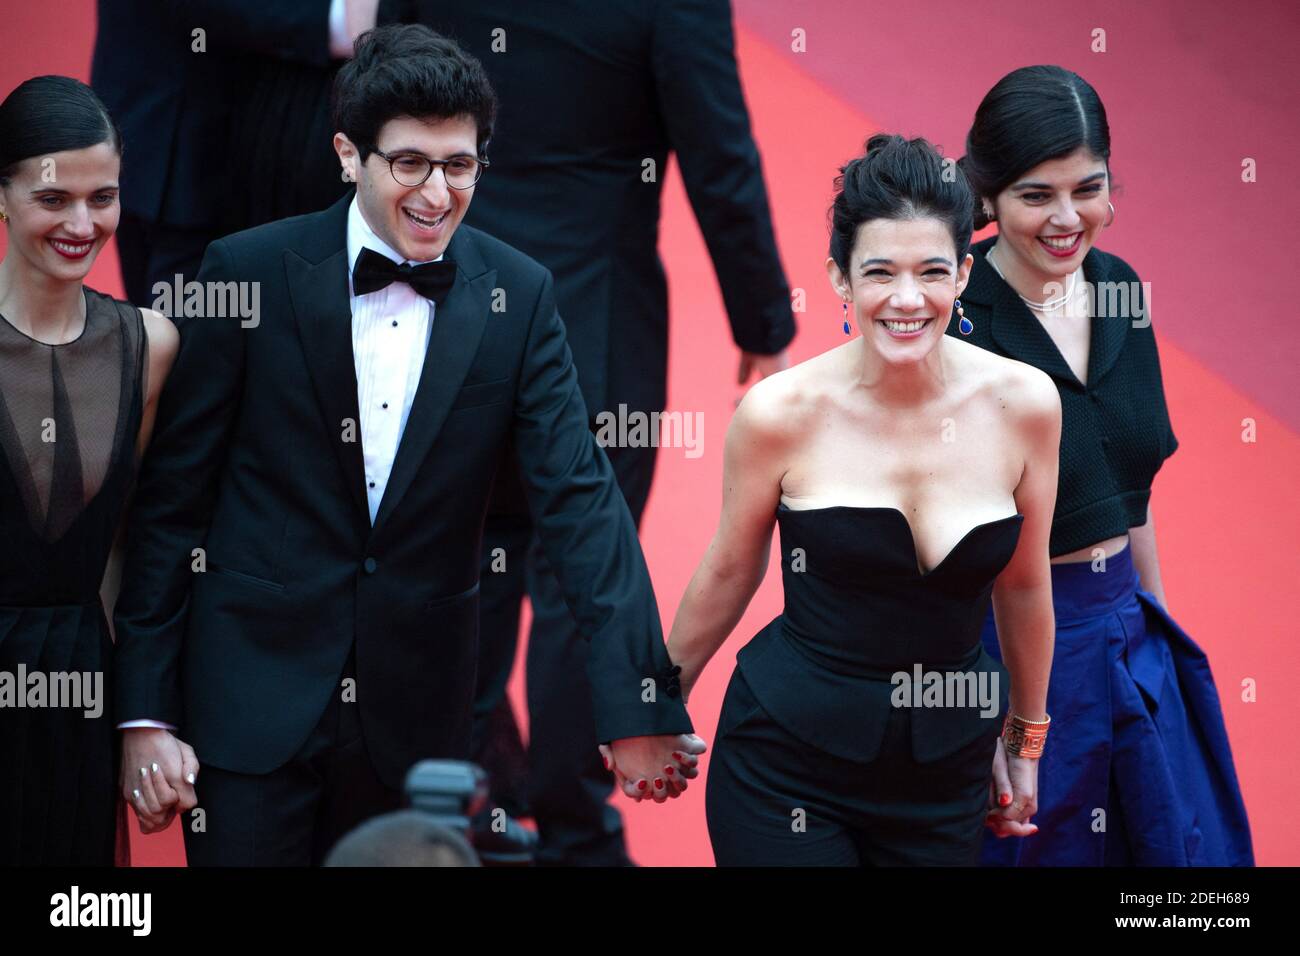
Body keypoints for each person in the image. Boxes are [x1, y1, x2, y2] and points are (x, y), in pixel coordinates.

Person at [111, 24, 703, 866]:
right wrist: (146, 716)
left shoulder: (521, 297)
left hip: (417, 727)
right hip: (248, 712)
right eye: (410, 164)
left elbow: (582, 505)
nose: (437, 193)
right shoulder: (246, 271)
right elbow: (172, 507)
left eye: (459, 165)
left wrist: (639, 704)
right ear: (350, 155)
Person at [393, 0, 796, 864]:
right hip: (596, 316)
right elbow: (719, 154)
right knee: (584, 571)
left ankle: (457, 805)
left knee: (459, 562)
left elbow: (385, 83)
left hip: (443, 299)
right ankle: (575, 823)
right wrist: (762, 322)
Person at [655, 134, 1058, 865]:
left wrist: (1024, 739)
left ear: (964, 273)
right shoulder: (781, 413)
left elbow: (1026, 586)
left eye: (933, 271)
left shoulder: (1026, 404)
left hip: (946, 775)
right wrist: (650, 704)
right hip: (785, 768)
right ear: (839, 278)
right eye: (879, 273)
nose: (907, 300)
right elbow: (727, 571)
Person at [951, 65, 1253, 865]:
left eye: (1087, 189)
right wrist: (971, 714)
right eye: (1035, 195)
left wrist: (1157, 633)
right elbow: (916, 549)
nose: (1066, 219)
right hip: (1008, 657)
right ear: (987, 196)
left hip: (1130, 642)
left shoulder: (1122, 290)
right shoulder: (951, 323)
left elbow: (1135, 501)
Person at [0, 75, 179, 865]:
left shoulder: (152, 345)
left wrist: (140, 720)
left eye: (102, 197)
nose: (81, 223)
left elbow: (126, 552)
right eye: (53, 199)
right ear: (2, 197)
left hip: (79, 681)